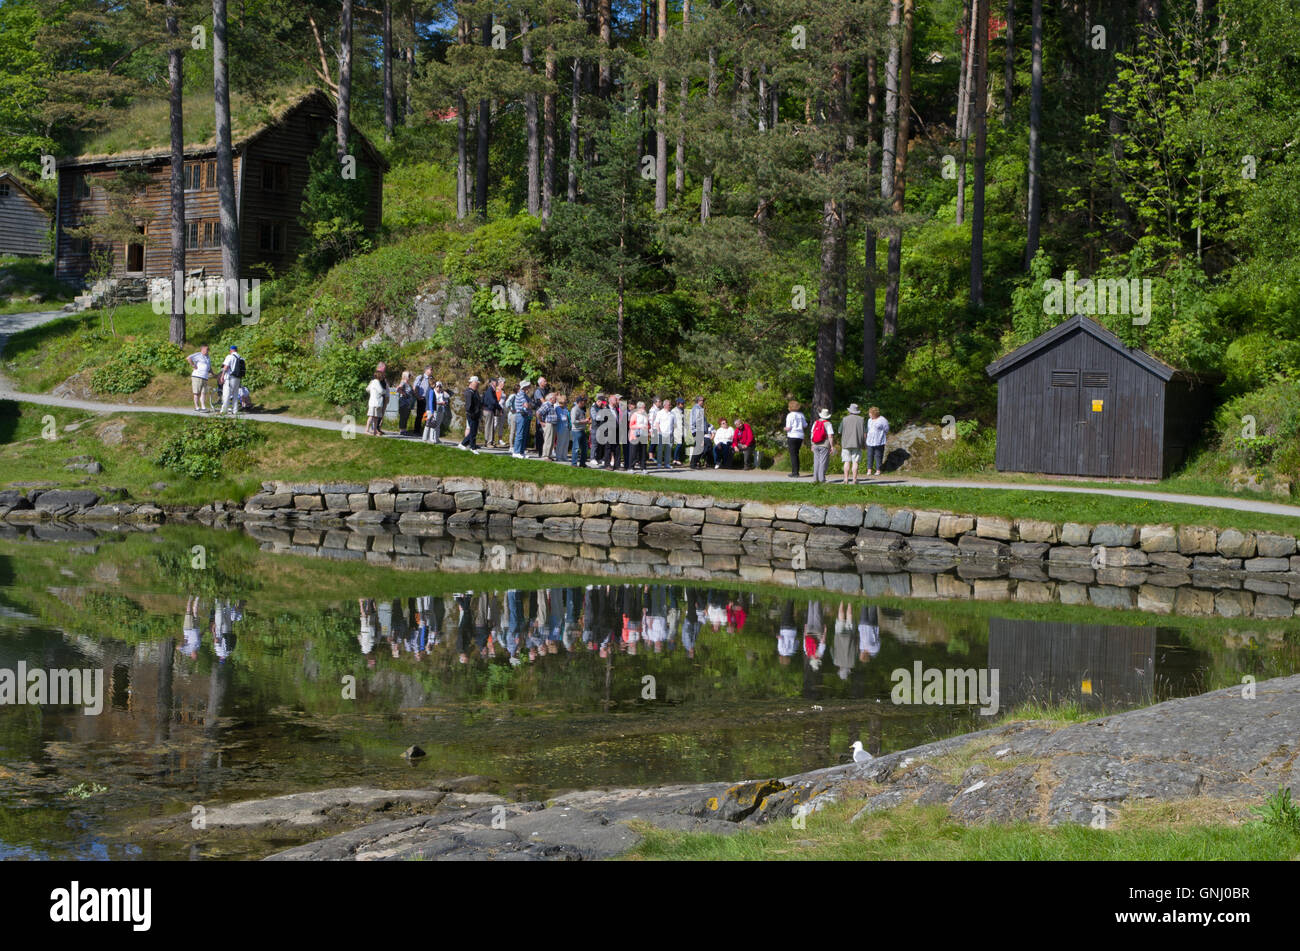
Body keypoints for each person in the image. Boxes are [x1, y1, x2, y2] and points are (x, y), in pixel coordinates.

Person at [840, 403, 866, 484]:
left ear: (849, 411)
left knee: (846, 461)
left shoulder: (844, 419)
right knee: (855, 462)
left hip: (846, 443)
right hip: (857, 443)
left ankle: (846, 479)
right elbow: (865, 433)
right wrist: (864, 444)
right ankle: (854, 480)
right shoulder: (861, 419)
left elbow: (839, 431)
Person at [218, 345, 244, 418]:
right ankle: (235, 411)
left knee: (226, 394)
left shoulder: (229, 356)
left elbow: (225, 367)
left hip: (230, 377)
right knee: (235, 394)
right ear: (236, 350)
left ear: (231, 350)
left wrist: (222, 376)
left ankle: (223, 411)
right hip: (238, 378)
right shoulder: (241, 358)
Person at [510, 380, 534, 458]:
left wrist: (529, 405)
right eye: (528, 386)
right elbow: (527, 405)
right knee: (520, 434)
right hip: (521, 415)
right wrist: (529, 405)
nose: (529, 387)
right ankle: (516, 452)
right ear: (524, 386)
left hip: (526, 415)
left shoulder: (525, 394)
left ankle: (521, 451)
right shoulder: (521, 394)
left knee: (524, 434)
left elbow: (531, 404)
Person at [810, 408, 835, 483]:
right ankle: (821, 479)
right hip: (824, 445)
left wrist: (812, 444)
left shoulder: (816, 422)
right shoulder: (828, 423)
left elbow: (812, 433)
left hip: (815, 444)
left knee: (816, 461)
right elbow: (830, 436)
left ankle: (815, 479)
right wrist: (832, 446)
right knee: (823, 462)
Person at [783, 399, 807, 477]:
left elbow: (788, 427)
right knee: (796, 454)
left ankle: (795, 472)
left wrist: (785, 429)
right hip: (800, 435)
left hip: (792, 435)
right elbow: (805, 425)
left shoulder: (790, 415)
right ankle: (796, 471)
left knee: (793, 454)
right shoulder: (801, 415)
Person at [459, 376, 482, 453]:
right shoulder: (469, 392)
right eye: (476, 383)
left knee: (473, 431)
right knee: (472, 431)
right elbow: (468, 406)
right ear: (472, 383)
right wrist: (472, 414)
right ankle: (472, 447)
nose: (477, 385)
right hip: (472, 414)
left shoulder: (475, 392)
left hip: (476, 414)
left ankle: (464, 444)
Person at [866, 405, 890, 476]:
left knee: (878, 456)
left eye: (870, 413)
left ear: (874, 413)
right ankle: (869, 470)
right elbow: (869, 429)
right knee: (870, 455)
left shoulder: (883, 420)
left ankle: (878, 470)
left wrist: (881, 434)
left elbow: (886, 429)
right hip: (870, 441)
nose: (869, 414)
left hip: (879, 441)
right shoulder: (869, 420)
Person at [187, 344, 212, 413]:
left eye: (208, 350)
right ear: (203, 349)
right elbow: (188, 358)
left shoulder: (208, 357)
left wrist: (213, 374)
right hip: (197, 376)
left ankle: (203, 407)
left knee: (203, 392)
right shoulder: (198, 355)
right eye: (207, 349)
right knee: (196, 393)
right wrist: (193, 365)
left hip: (205, 377)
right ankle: (197, 407)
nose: (208, 351)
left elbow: (209, 367)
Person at [654, 398, 676, 469]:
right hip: (662, 433)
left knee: (668, 449)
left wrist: (674, 432)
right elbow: (657, 423)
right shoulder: (660, 413)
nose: (670, 406)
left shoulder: (672, 414)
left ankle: (667, 463)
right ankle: (659, 463)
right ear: (665, 405)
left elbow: (674, 424)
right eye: (669, 405)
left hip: (670, 434)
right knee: (660, 449)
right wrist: (659, 431)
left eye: (670, 405)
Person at [569, 394, 590, 466]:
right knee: (576, 448)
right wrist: (584, 421)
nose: (585, 402)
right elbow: (573, 421)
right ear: (580, 402)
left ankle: (582, 464)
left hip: (582, 430)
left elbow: (581, 420)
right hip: (576, 431)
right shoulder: (574, 409)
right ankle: (574, 464)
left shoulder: (582, 409)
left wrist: (587, 421)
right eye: (584, 401)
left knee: (584, 448)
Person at [688, 397, 707, 469]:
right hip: (697, 430)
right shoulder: (696, 408)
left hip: (699, 430)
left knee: (699, 447)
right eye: (702, 400)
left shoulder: (699, 408)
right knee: (699, 447)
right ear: (698, 401)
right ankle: (693, 464)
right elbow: (695, 420)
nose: (703, 402)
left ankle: (695, 463)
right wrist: (696, 430)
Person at [538, 391, 559, 460]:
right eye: (555, 398)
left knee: (552, 441)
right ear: (551, 399)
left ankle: (549, 455)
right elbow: (538, 413)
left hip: (553, 424)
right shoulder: (546, 404)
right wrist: (541, 421)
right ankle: (545, 455)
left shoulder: (552, 405)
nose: (556, 399)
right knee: (548, 440)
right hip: (548, 424)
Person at [482, 376, 501, 448]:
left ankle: (491, 441)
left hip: (490, 410)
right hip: (488, 410)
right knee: (489, 426)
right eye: (496, 381)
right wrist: (499, 407)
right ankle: (488, 442)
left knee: (491, 426)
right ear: (492, 382)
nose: (497, 382)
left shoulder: (492, 390)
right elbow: (493, 401)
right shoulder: (490, 390)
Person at [366, 367, 386, 436]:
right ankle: (367, 430)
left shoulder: (372, 382)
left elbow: (367, 389)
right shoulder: (376, 382)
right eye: (382, 376)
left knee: (375, 418)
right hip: (375, 403)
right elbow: (381, 391)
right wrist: (385, 391)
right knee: (372, 417)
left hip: (373, 402)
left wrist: (372, 392)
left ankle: (374, 431)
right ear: (380, 376)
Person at [396, 370, 416, 436]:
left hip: (408, 404)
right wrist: (403, 393)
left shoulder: (408, 384)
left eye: (410, 376)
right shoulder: (403, 383)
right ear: (405, 376)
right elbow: (398, 389)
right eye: (408, 376)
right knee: (403, 417)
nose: (409, 377)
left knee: (406, 417)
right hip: (403, 403)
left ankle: (404, 429)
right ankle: (402, 430)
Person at [554, 393, 571, 463]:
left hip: (567, 427)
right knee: (560, 442)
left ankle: (564, 456)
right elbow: (561, 418)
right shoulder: (557, 408)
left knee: (566, 442)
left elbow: (567, 417)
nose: (565, 403)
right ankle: (559, 456)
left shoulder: (566, 408)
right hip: (560, 428)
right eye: (564, 402)